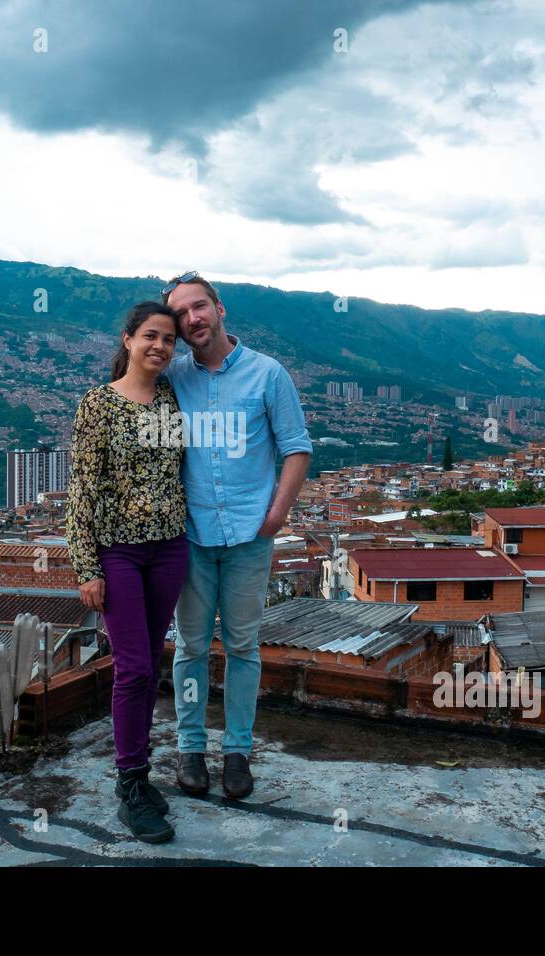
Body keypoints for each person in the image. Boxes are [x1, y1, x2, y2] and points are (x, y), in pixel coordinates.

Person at [161, 272, 312, 798]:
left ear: (219, 308)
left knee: (244, 646)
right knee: (191, 647)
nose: (192, 319)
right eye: (181, 314)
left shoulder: (268, 374)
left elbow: (297, 447)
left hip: (251, 535)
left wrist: (274, 517)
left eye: (198, 307)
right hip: (192, 536)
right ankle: (190, 748)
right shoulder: (172, 377)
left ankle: (238, 752)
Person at [65, 301, 188, 844]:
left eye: (169, 340)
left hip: (169, 550)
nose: (161, 347)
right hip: (118, 553)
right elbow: (82, 491)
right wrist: (86, 567)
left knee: (149, 665)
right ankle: (130, 783)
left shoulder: (171, 399)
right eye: (151, 337)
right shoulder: (98, 405)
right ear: (128, 339)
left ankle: (139, 771)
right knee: (133, 667)